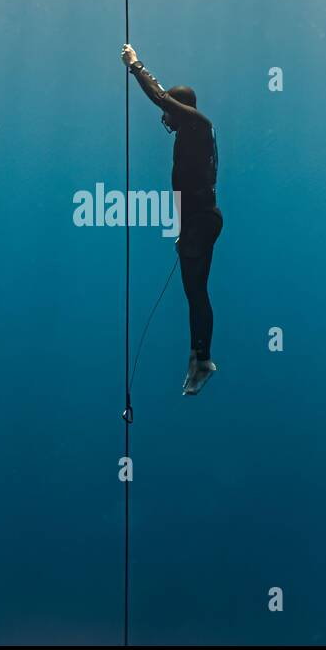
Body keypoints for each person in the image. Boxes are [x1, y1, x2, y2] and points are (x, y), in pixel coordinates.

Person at [121, 44, 223, 395]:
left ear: (182, 111)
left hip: (201, 221)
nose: (166, 122)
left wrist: (135, 65)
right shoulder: (193, 130)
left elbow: (161, 97)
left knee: (196, 290)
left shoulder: (197, 123)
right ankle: (201, 358)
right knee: (195, 292)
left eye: (170, 116)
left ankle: (202, 358)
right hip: (198, 222)